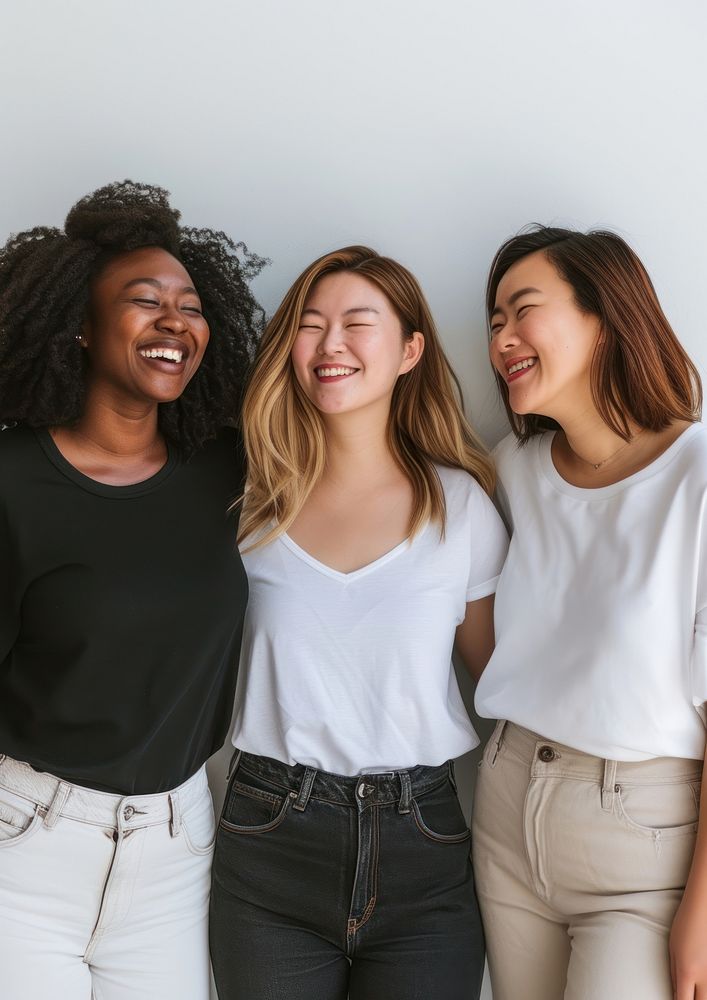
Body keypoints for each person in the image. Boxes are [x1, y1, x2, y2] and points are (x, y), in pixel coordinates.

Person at [209, 245, 508, 1000]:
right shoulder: (245, 503)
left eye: (356, 322)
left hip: (425, 847)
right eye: (310, 325)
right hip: (269, 841)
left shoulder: (461, 506)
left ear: (410, 350)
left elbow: (505, 688)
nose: (330, 343)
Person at [0, 180, 266, 1000]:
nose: (175, 322)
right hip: (24, 843)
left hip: (177, 847)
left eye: (189, 305)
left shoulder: (230, 470)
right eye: (144, 301)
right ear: (76, 326)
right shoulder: (10, 479)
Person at [473, 225, 706, 1000]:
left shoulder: (696, 479)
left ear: (604, 316)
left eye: (521, 309)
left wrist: (701, 917)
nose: (502, 337)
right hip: (505, 816)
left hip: (642, 842)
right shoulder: (510, 473)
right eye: (494, 320)